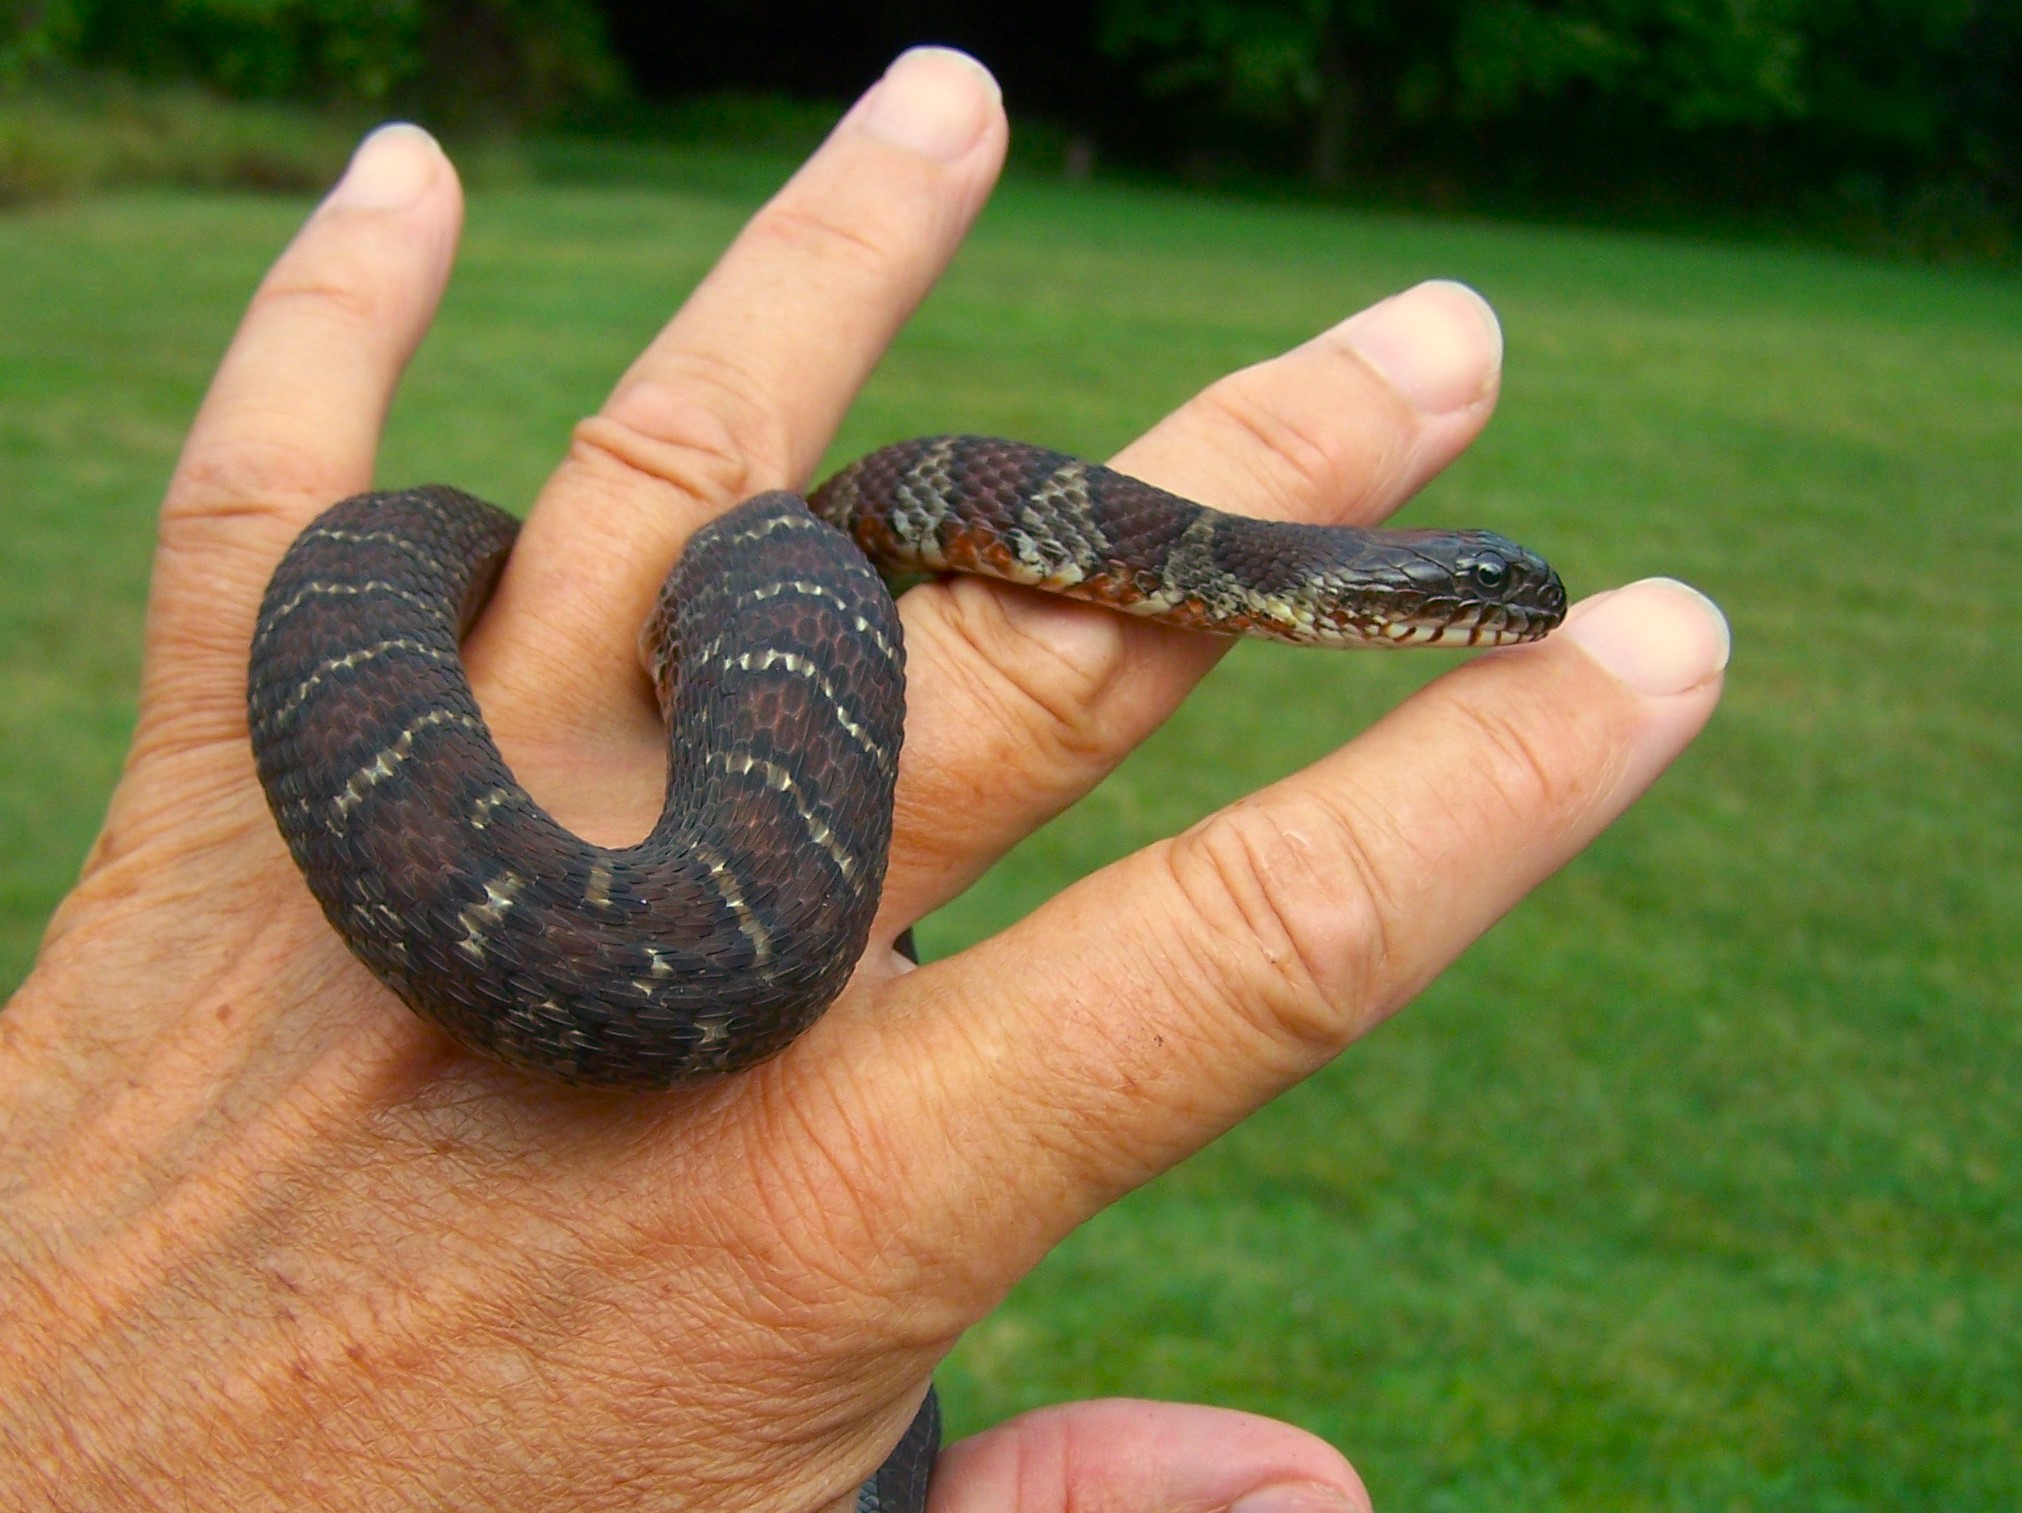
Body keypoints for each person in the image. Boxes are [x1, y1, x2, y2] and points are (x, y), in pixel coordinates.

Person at [0, 46, 1727, 1513]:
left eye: (1491, 598)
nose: (1503, 609)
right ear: (1380, 597)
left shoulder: (1098, 569)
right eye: (1477, 596)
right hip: (693, 614)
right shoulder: (1082, 566)